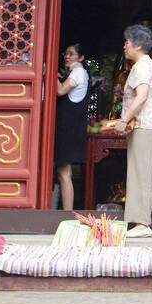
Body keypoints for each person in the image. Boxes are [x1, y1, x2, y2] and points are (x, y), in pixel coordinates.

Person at [101, 24, 152, 237]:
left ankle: (142, 224)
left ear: (137, 44)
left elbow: (142, 96)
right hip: (146, 126)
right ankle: (144, 220)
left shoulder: (143, 67)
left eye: (127, 42)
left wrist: (123, 119)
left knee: (140, 174)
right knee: (142, 172)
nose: (124, 46)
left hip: (143, 126)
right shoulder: (144, 65)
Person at [53, 43, 89, 210]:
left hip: (68, 129)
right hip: (68, 128)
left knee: (64, 172)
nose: (67, 57)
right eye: (65, 54)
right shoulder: (78, 73)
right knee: (62, 171)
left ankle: (67, 213)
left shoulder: (79, 72)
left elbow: (60, 91)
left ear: (81, 58)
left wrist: (51, 70)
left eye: (71, 54)